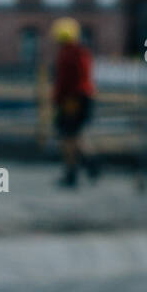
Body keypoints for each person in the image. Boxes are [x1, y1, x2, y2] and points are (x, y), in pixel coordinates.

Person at [51, 17, 99, 187]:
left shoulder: (68, 54)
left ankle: (72, 173)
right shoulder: (82, 52)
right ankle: (92, 163)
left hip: (72, 100)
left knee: (68, 137)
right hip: (83, 97)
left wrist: (57, 99)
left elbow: (64, 81)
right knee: (77, 135)